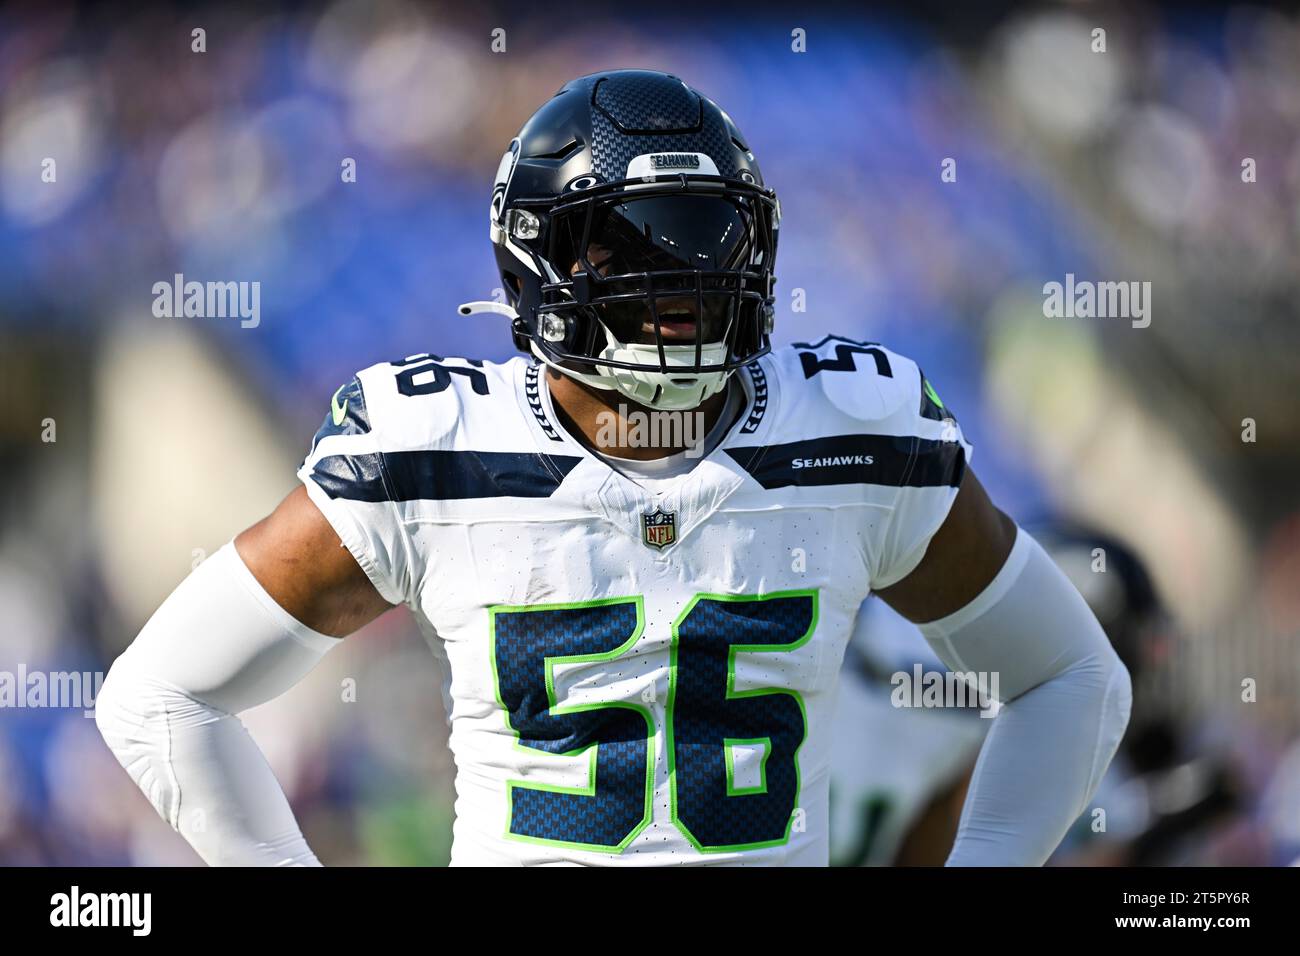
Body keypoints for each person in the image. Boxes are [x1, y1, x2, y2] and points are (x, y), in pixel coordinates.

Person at [95, 69, 1130, 866]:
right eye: (633, 241)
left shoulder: (855, 432)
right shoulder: (434, 450)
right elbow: (157, 693)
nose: (681, 274)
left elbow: (1072, 678)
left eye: (706, 234)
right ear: (537, 259)